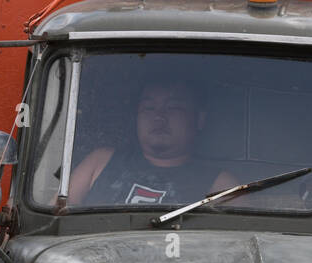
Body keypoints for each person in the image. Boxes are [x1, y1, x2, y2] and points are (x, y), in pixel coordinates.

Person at [66, 77, 236, 208]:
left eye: (173, 107)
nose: (158, 117)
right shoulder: (100, 161)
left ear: (199, 119)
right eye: (148, 108)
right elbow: (57, 218)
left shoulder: (220, 184)